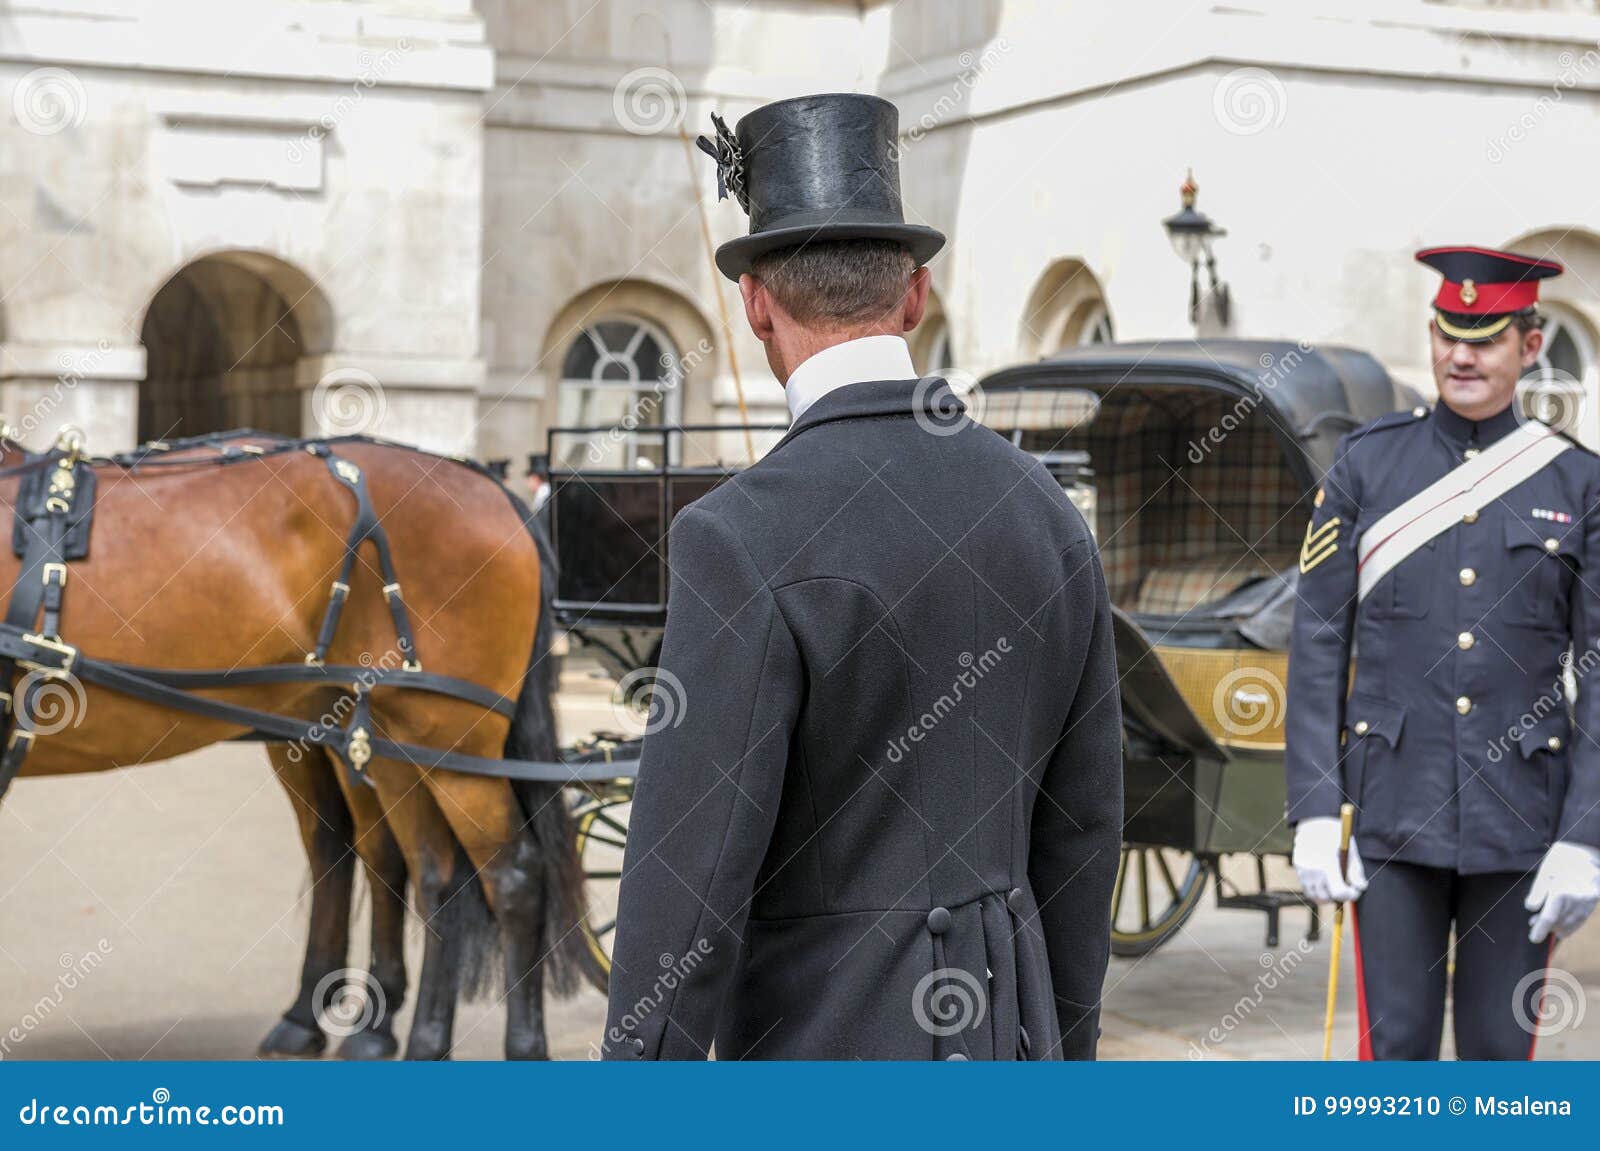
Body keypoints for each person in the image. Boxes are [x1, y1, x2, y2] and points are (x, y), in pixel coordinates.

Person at [599, 93, 1123, 1061]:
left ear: (754, 302)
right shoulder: (1046, 514)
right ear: (915, 293)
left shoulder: (737, 538)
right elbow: (1085, 833)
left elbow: (689, 883)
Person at [1287, 245, 1600, 1060]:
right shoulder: (1367, 464)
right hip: (1392, 811)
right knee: (1396, 1056)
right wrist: (1316, 808)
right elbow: (1320, 640)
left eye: (1486, 336)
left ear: (1530, 346)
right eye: (1448, 331)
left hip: (1522, 821)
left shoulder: (1579, 485)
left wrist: (1587, 834)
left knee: (1501, 1062)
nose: (1462, 354)